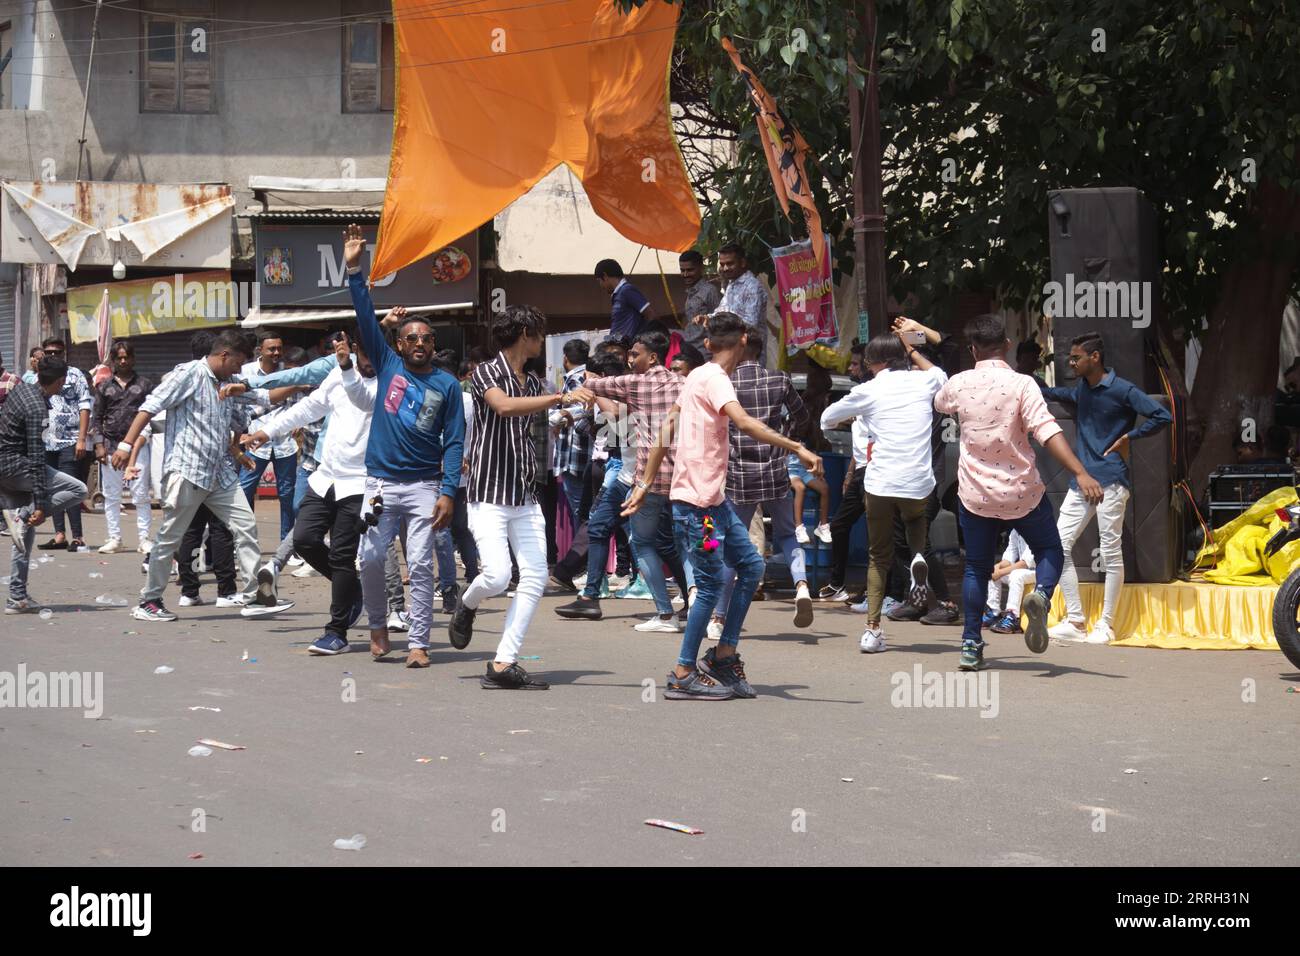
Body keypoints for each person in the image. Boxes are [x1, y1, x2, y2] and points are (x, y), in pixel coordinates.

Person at [622, 312, 824, 700]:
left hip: (713, 503)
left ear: (709, 343)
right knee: (713, 583)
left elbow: (667, 428)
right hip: (699, 509)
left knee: (750, 565)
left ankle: (724, 655)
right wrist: (797, 446)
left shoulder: (698, 374)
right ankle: (683, 671)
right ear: (745, 339)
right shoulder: (713, 378)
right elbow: (745, 423)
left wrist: (646, 482)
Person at [933, 314, 1103, 671]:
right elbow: (1046, 431)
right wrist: (1081, 471)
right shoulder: (1023, 384)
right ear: (1007, 346)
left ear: (973, 349)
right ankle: (1040, 595)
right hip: (1021, 492)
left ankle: (970, 645)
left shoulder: (960, 384)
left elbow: (939, 403)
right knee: (1050, 549)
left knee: (977, 569)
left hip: (976, 496)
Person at [343, 223, 465, 669]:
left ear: (435, 345)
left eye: (426, 339)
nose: (418, 343)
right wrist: (356, 269)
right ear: (398, 344)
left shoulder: (448, 386)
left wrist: (449, 491)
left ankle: (419, 643)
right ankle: (378, 624)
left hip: (424, 488)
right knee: (372, 559)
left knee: (421, 564)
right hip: (378, 483)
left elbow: (454, 442)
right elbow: (361, 313)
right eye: (410, 338)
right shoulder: (388, 363)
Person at [110, 330, 294, 622]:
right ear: (224, 355)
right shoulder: (189, 374)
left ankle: (254, 596)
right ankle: (150, 601)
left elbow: (263, 396)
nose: (240, 369)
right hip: (188, 471)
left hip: (219, 473)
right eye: (238, 362)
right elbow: (149, 406)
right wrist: (125, 445)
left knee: (246, 526)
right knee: (171, 537)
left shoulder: (229, 383)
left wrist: (304, 382)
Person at [450, 304, 570, 690]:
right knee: (498, 576)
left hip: (524, 494)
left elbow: (535, 431)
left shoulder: (533, 382)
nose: (541, 340)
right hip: (488, 493)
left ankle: (503, 661)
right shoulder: (487, 371)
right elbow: (502, 407)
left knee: (535, 575)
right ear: (524, 334)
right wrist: (558, 400)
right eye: (538, 334)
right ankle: (467, 603)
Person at [244, 332, 377, 655]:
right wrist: (266, 431)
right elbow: (308, 408)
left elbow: (362, 398)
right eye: (365, 353)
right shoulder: (337, 374)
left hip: (360, 483)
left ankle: (337, 632)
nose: (371, 362)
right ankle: (351, 589)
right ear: (357, 350)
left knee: (344, 556)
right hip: (325, 477)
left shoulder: (389, 382)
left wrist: (348, 369)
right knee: (304, 541)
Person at [821, 331, 948, 652]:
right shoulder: (924, 382)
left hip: (879, 482)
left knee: (879, 558)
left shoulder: (868, 390)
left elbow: (826, 418)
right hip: (919, 481)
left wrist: (855, 415)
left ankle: (873, 630)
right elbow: (941, 375)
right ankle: (918, 560)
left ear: (874, 363)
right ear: (904, 358)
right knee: (916, 532)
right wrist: (913, 350)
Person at [1042, 331, 1172, 645]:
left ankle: (1107, 625)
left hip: (1112, 480)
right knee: (1056, 547)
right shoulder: (1082, 390)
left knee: (1111, 553)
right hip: (1081, 481)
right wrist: (1028, 384)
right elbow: (1058, 393)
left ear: (1095, 358)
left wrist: (1130, 437)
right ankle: (1075, 621)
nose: (1071, 363)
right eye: (1071, 358)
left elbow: (1162, 414)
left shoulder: (1123, 389)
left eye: (1076, 358)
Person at [564, 328, 693, 632]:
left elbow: (597, 385)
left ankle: (667, 612)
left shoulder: (635, 384)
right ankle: (699, 607)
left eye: (635, 354)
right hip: (676, 476)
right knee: (683, 544)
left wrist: (588, 387)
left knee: (649, 543)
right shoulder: (685, 384)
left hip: (645, 479)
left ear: (653, 357)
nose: (631, 359)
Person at [711, 330, 816, 636]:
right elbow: (802, 415)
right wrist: (787, 440)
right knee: (787, 534)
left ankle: (718, 617)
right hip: (775, 470)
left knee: (732, 543)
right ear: (759, 352)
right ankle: (801, 586)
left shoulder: (726, 384)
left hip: (740, 474)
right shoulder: (780, 379)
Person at [886, 316, 964, 625]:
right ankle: (916, 599)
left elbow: (950, 348)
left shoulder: (939, 391)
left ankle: (945, 603)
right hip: (898, 478)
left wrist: (916, 334)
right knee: (900, 541)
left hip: (927, 478)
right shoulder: (903, 388)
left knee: (919, 540)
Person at [0, 357, 89, 610]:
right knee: (78, 489)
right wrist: (40, 506)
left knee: (25, 535)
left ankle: (16, 596)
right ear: (60, 381)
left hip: (5, 465)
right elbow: (37, 459)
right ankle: (23, 514)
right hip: (18, 467)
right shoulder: (37, 408)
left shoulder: (23, 388)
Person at [93, 341, 154, 555]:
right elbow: (96, 418)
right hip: (110, 447)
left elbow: (151, 415)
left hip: (138, 447)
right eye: (119, 357)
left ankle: (144, 539)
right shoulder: (104, 387)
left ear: (133, 358)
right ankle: (114, 538)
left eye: (126, 357)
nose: (123, 361)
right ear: (113, 359)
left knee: (141, 495)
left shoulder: (145, 385)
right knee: (112, 496)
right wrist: (99, 445)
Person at [238, 330, 298, 547]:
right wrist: (241, 430)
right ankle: (244, 542)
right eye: (271, 349)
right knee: (244, 492)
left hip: (284, 444)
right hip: (255, 442)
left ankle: (287, 546)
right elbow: (236, 404)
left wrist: (298, 424)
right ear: (259, 351)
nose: (276, 353)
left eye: (279, 349)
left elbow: (301, 401)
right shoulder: (246, 373)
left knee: (287, 495)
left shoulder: (290, 372)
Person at [820, 343, 869, 603]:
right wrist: (850, 472)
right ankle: (837, 583)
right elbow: (860, 443)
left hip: (876, 473)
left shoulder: (873, 394)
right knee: (839, 525)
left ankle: (882, 592)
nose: (850, 368)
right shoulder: (859, 395)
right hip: (860, 472)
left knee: (882, 536)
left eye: (855, 364)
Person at [35, 336, 92, 552]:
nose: (52, 356)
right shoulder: (41, 377)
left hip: (70, 440)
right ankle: (59, 535)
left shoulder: (75, 375)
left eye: (57, 352)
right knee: (53, 489)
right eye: (48, 352)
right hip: (47, 440)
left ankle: (78, 536)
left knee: (72, 486)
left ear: (64, 353)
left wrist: (81, 439)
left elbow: (85, 406)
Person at [789, 362, 834, 547]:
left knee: (824, 488)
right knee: (799, 489)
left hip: (806, 467)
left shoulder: (811, 408)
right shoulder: (805, 412)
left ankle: (823, 525)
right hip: (792, 465)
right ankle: (799, 526)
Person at [551, 338, 592, 529]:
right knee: (583, 511)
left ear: (565, 358)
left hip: (575, 454)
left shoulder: (576, 378)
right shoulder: (587, 375)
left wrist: (556, 416)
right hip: (583, 454)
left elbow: (582, 410)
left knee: (580, 512)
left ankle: (582, 557)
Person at [704, 243, 769, 331]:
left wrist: (722, 321)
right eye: (722, 264)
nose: (725, 268)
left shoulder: (753, 287)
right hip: (731, 342)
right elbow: (722, 310)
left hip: (748, 344)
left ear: (742, 263)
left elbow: (750, 325)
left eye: (729, 263)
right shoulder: (732, 283)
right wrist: (708, 318)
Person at [984, 531, 1036, 634]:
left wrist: (1000, 572)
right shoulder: (1015, 531)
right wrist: (996, 567)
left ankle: (1013, 617)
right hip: (1025, 571)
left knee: (1016, 575)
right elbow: (1009, 558)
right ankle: (994, 613)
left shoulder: (1034, 529)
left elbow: (1026, 563)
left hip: (1040, 571)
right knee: (993, 572)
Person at [595, 259, 655, 341]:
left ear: (605, 276)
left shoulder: (627, 290)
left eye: (599, 281)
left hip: (629, 348)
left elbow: (650, 314)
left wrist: (643, 342)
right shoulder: (618, 294)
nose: (601, 286)